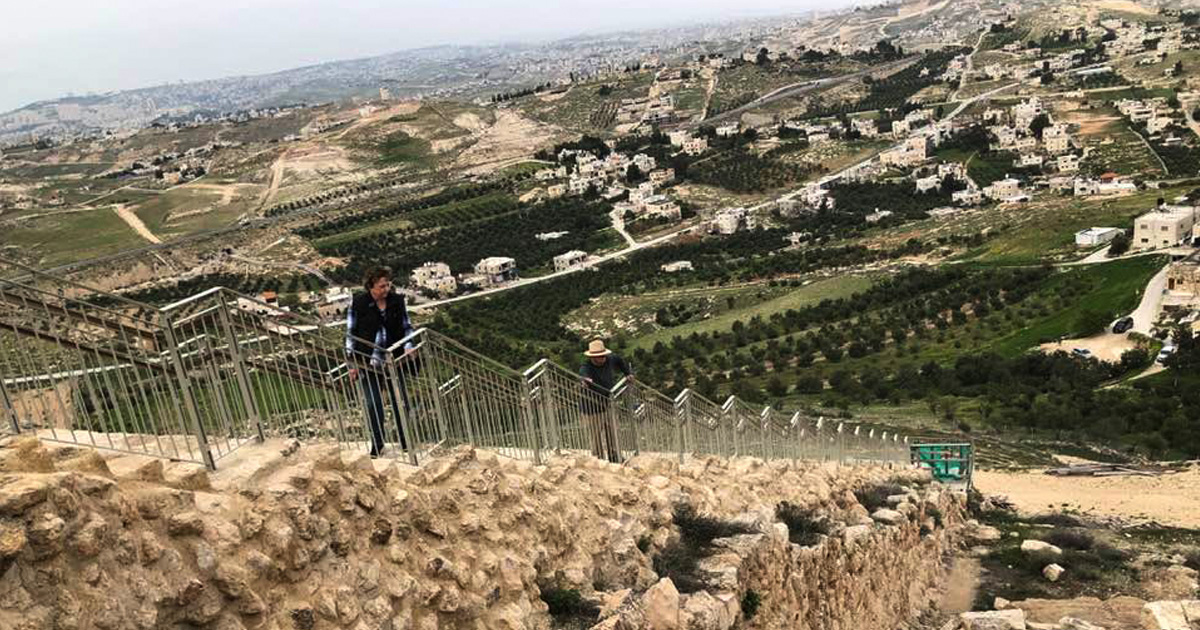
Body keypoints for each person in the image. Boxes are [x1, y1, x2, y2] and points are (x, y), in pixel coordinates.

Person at [346, 266, 415, 458]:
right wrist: (351, 364)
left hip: (394, 361)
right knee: (372, 404)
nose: (386, 289)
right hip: (367, 362)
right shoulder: (358, 304)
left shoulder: (397, 301)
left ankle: (405, 441)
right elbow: (350, 335)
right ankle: (377, 444)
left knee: (400, 402)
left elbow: (407, 326)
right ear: (371, 287)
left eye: (388, 285)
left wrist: (409, 344)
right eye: (382, 286)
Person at [579, 339, 633, 463]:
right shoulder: (586, 367)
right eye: (599, 356)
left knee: (612, 431)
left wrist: (627, 373)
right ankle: (598, 460)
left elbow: (619, 360)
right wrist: (585, 380)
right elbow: (583, 374)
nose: (602, 358)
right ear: (592, 357)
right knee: (595, 435)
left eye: (603, 355)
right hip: (591, 407)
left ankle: (614, 456)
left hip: (607, 402)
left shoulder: (610, 359)